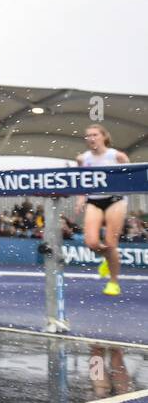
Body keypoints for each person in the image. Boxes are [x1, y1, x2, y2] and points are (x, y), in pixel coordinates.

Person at [76, 125, 130, 297]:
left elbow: (131, 177)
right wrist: (80, 199)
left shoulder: (117, 156)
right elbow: (81, 181)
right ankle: (108, 257)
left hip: (116, 199)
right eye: (88, 136)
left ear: (104, 137)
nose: (91, 138)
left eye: (95, 135)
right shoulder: (83, 159)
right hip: (94, 199)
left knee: (110, 243)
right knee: (91, 242)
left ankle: (113, 282)